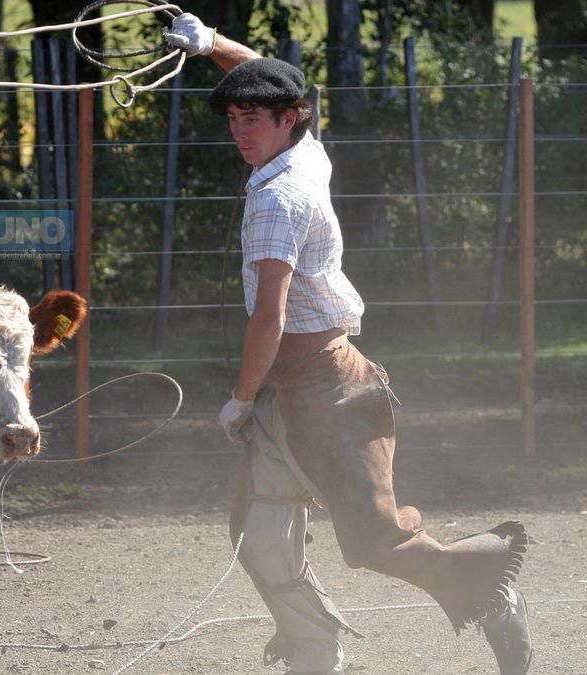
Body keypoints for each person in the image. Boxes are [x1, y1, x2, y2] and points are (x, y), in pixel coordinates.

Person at [165, 13, 531, 675]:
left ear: (290, 119)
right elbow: (272, 78)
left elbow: (268, 318)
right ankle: (312, 647)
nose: (242, 129)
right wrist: (212, 43)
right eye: (235, 117)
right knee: (258, 534)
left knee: (373, 541)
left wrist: (240, 399)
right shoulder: (303, 148)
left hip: (330, 388)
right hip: (297, 384)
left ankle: (490, 586)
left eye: (256, 118)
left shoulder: (279, 197)